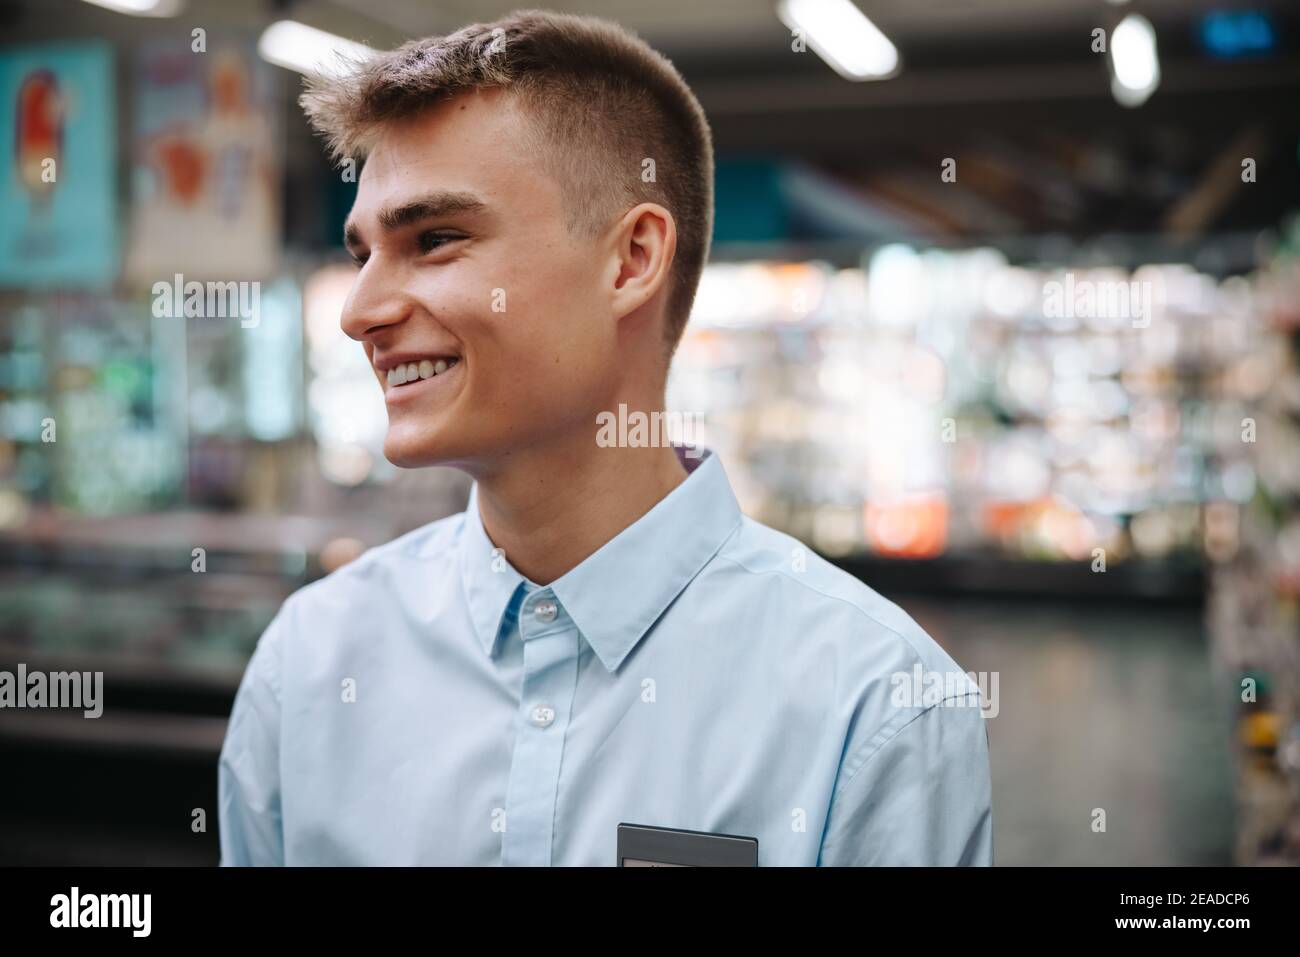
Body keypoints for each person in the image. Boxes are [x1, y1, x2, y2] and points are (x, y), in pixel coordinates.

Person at [218, 9, 993, 866]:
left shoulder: (873, 705)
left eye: (435, 240)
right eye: (361, 253)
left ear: (629, 262)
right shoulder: (310, 664)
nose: (361, 311)